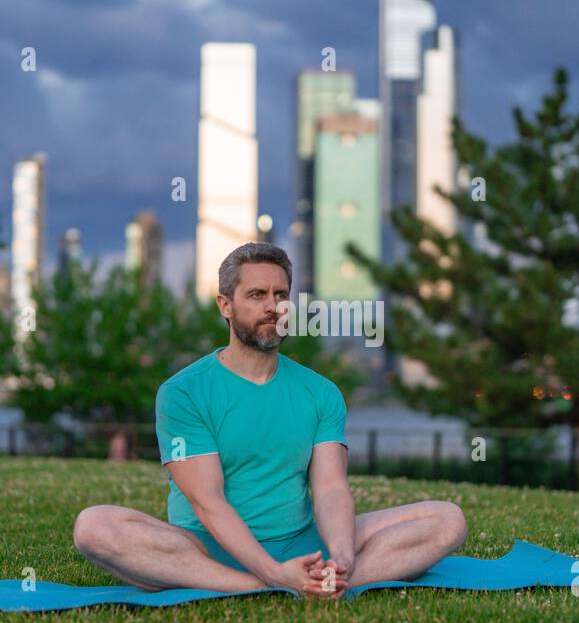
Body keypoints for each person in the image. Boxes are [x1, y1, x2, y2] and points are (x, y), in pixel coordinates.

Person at [73, 242, 467, 600]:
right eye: (257, 295)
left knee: (447, 520)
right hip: (206, 547)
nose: (272, 307)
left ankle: (326, 577)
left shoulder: (321, 392)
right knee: (94, 527)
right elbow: (207, 502)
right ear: (225, 306)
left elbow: (330, 488)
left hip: (301, 543)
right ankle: (271, 584)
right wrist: (272, 571)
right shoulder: (183, 392)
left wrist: (343, 556)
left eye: (281, 295)